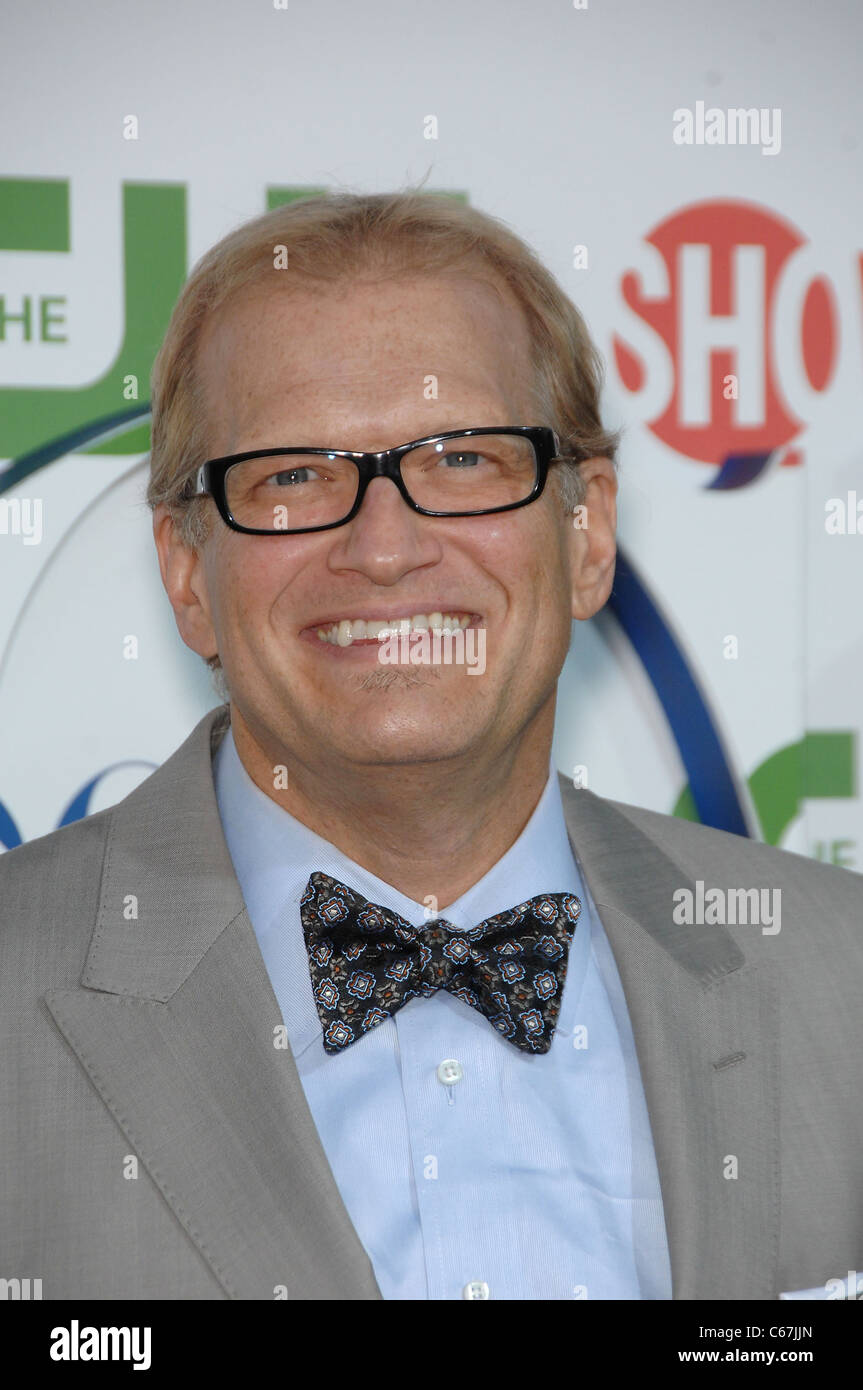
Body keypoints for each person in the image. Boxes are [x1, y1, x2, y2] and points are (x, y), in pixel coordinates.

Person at [2, 191, 861, 1302]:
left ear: (587, 528)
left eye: (462, 457)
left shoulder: (838, 976)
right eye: (293, 474)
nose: (384, 546)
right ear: (185, 573)